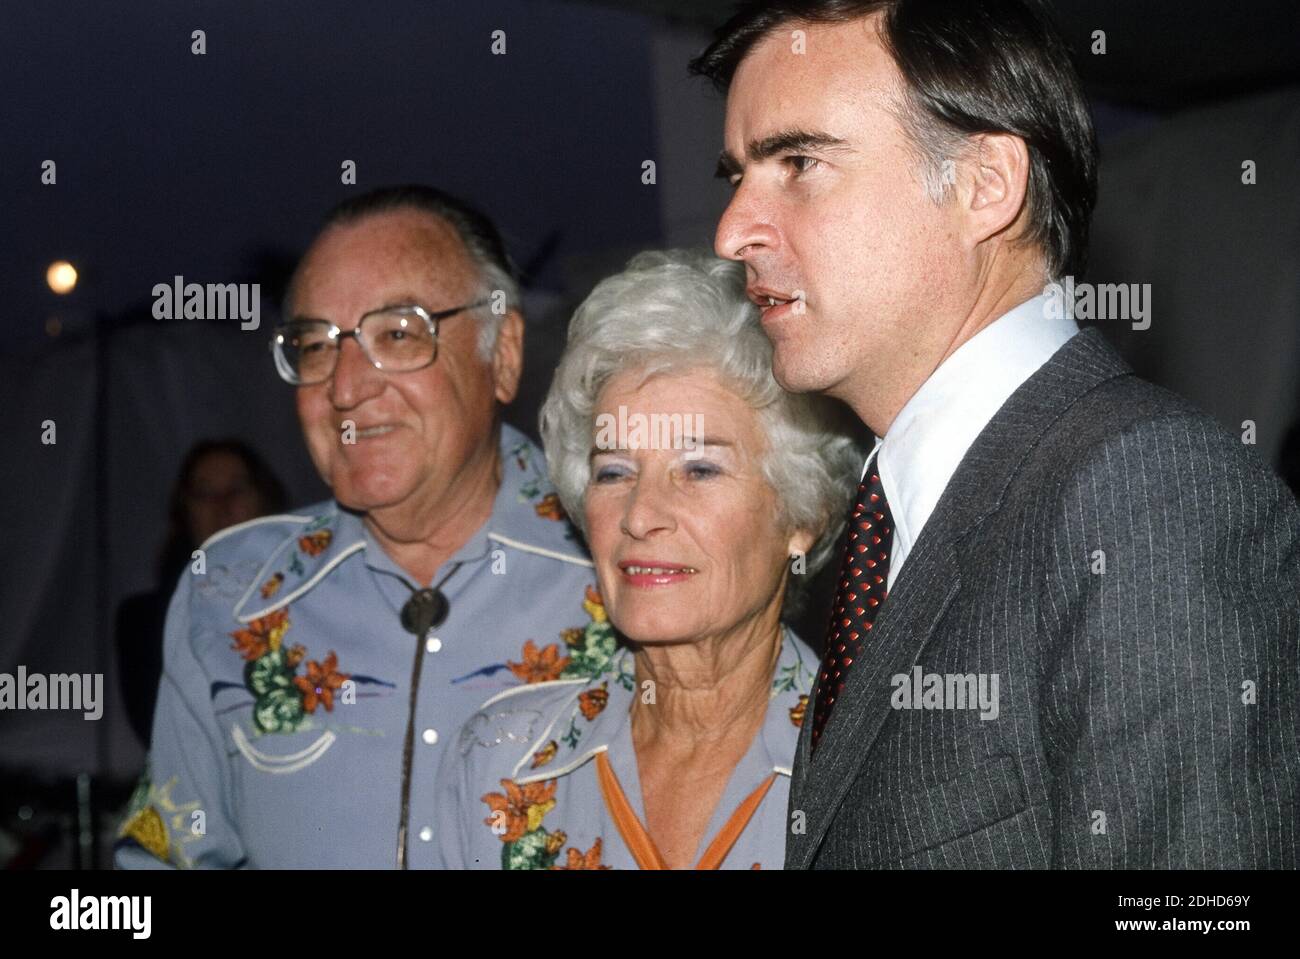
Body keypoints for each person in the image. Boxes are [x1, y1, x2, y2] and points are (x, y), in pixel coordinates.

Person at [691, 0, 1300, 868]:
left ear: (986, 185)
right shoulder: (893, 518)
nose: (731, 231)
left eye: (798, 161)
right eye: (736, 175)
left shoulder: (1146, 494)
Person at [115, 185, 601, 869]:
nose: (344, 387)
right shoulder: (229, 594)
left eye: (397, 334)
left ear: (506, 352)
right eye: (315, 346)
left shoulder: (629, 568)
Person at [433, 249, 861, 869]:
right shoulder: (499, 761)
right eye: (613, 472)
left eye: (699, 469)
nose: (639, 515)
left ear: (802, 514)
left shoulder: (871, 769)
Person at [116, 439, 286, 748]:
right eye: (204, 493)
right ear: (185, 511)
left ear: (265, 499)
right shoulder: (145, 620)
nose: (222, 504)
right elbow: (157, 726)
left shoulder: (309, 602)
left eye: (237, 488)